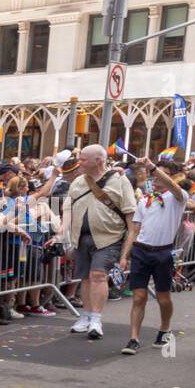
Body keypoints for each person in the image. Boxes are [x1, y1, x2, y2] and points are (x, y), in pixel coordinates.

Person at [65, 144, 136, 341]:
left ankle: (96, 319)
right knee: (85, 278)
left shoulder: (120, 180)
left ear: (98, 161)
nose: (79, 162)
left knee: (98, 275)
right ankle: (86, 316)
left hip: (109, 237)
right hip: (82, 237)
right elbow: (67, 209)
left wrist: (127, 248)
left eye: (83, 159)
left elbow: (130, 214)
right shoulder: (78, 182)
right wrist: (63, 235)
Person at [120, 158, 186, 355]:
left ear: (170, 177)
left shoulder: (177, 197)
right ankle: (133, 338)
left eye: (160, 174)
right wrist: (125, 255)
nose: (155, 178)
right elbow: (134, 230)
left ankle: (165, 328)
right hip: (141, 251)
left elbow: (173, 186)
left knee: (163, 297)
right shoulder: (144, 200)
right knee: (138, 297)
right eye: (154, 175)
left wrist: (153, 167)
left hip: (163, 252)